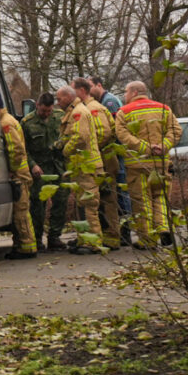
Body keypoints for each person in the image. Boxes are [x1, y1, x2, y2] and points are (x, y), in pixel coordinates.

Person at [114, 81, 183, 248]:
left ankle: (147, 240)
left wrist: (145, 148)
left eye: (126, 92)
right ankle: (163, 228)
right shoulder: (163, 108)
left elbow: (122, 135)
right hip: (160, 163)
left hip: (138, 164)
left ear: (134, 92)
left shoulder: (124, 111)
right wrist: (163, 145)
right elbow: (176, 130)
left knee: (141, 200)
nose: (124, 95)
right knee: (160, 197)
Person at [73, 78, 122, 250]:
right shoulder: (88, 108)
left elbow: (104, 133)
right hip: (101, 160)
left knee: (107, 200)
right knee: (99, 201)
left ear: (81, 91)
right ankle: (105, 236)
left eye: (73, 90)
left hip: (105, 162)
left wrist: (92, 148)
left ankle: (112, 237)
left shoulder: (93, 109)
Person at [55, 85, 103, 254]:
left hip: (86, 166)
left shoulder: (78, 112)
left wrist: (64, 151)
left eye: (59, 98)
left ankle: (93, 243)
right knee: (82, 204)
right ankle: (84, 239)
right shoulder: (73, 112)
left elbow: (80, 138)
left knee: (89, 205)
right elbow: (70, 135)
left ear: (69, 97)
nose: (57, 102)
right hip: (80, 166)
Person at [21, 92, 68, 250]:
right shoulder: (27, 123)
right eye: (43, 111)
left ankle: (54, 237)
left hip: (58, 166)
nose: (46, 114)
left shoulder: (61, 117)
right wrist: (32, 164)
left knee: (60, 201)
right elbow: (23, 149)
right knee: (37, 205)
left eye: (48, 111)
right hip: (39, 168)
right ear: (37, 106)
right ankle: (38, 238)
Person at [90, 74, 131, 244]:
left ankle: (126, 230)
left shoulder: (109, 102)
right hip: (114, 152)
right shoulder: (105, 101)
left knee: (121, 192)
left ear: (98, 85)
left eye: (91, 86)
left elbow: (114, 131)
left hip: (115, 153)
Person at [0, 92, 37, 259]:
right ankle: (21, 244)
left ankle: (27, 247)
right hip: (18, 174)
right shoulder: (4, 120)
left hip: (19, 174)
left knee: (21, 212)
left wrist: (12, 169)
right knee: (18, 212)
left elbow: (16, 149)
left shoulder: (6, 123)